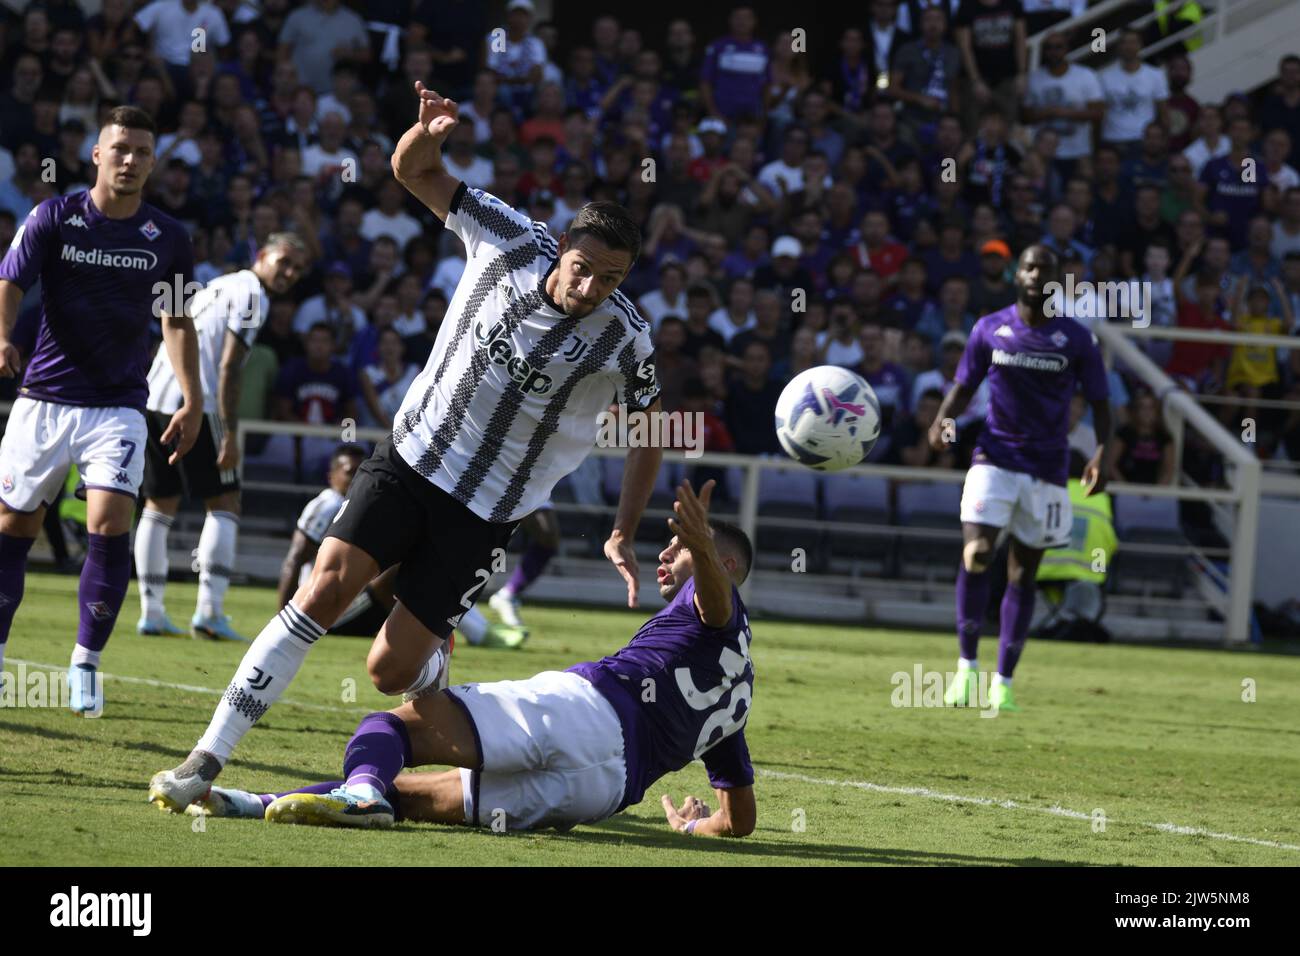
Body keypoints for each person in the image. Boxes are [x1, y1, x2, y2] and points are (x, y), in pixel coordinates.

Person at [149, 81, 663, 812]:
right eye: (583, 269)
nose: (590, 288)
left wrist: (623, 529)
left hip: (486, 511)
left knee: (390, 669)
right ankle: (206, 757)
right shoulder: (510, 236)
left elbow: (648, 431)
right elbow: (411, 172)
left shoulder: (626, 334)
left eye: (610, 279)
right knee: (322, 588)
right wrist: (428, 135)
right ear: (562, 247)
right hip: (412, 458)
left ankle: (435, 703)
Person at [186, 480, 757, 838]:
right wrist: (694, 827)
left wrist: (702, 551)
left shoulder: (713, 599)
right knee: (408, 797)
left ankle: (356, 791)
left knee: (387, 728)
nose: (666, 552)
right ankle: (244, 802)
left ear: (725, 566)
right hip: (602, 793)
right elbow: (739, 821)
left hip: (583, 714)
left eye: (679, 546)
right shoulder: (738, 692)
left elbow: (712, 600)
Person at [0, 106, 202, 714]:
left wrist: (192, 396)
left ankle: (85, 662)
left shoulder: (169, 237)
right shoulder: (55, 217)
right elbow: (9, 280)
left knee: (111, 525)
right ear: (96, 154)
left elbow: (176, 318)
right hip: (42, 401)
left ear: (154, 160)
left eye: (142, 151)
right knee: (13, 531)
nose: (131, 160)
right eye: (120, 149)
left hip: (117, 407)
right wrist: (4, 333)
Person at [928, 245, 1110, 712]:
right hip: (994, 459)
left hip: (1048, 469)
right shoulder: (990, 328)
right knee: (978, 552)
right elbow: (964, 385)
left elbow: (1103, 402)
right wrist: (944, 422)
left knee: (1023, 574)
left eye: (1045, 270)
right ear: (1018, 274)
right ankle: (966, 669)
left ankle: (1003, 681)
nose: (1036, 276)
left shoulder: (1077, 339)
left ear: (1056, 280)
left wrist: (1101, 454)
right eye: (1029, 267)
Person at [135, 232, 308, 641]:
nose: (289, 273)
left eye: (297, 269)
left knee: (159, 505)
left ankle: (152, 612)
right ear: (262, 254)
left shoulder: (220, 285)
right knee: (225, 502)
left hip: (157, 394)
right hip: (199, 402)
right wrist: (229, 431)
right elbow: (230, 367)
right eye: (284, 261)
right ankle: (210, 612)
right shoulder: (254, 296)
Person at [281, 445, 525, 648]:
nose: (356, 477)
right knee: (407, 566)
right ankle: (465, 635)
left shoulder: (366, 503)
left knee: (426, 557)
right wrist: (285, 624)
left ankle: (468, 630)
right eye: (349, 472)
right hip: (329, 608)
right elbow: (294, 560)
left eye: (360, 471)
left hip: (358, 601)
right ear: (331, 476)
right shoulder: (327, 504)